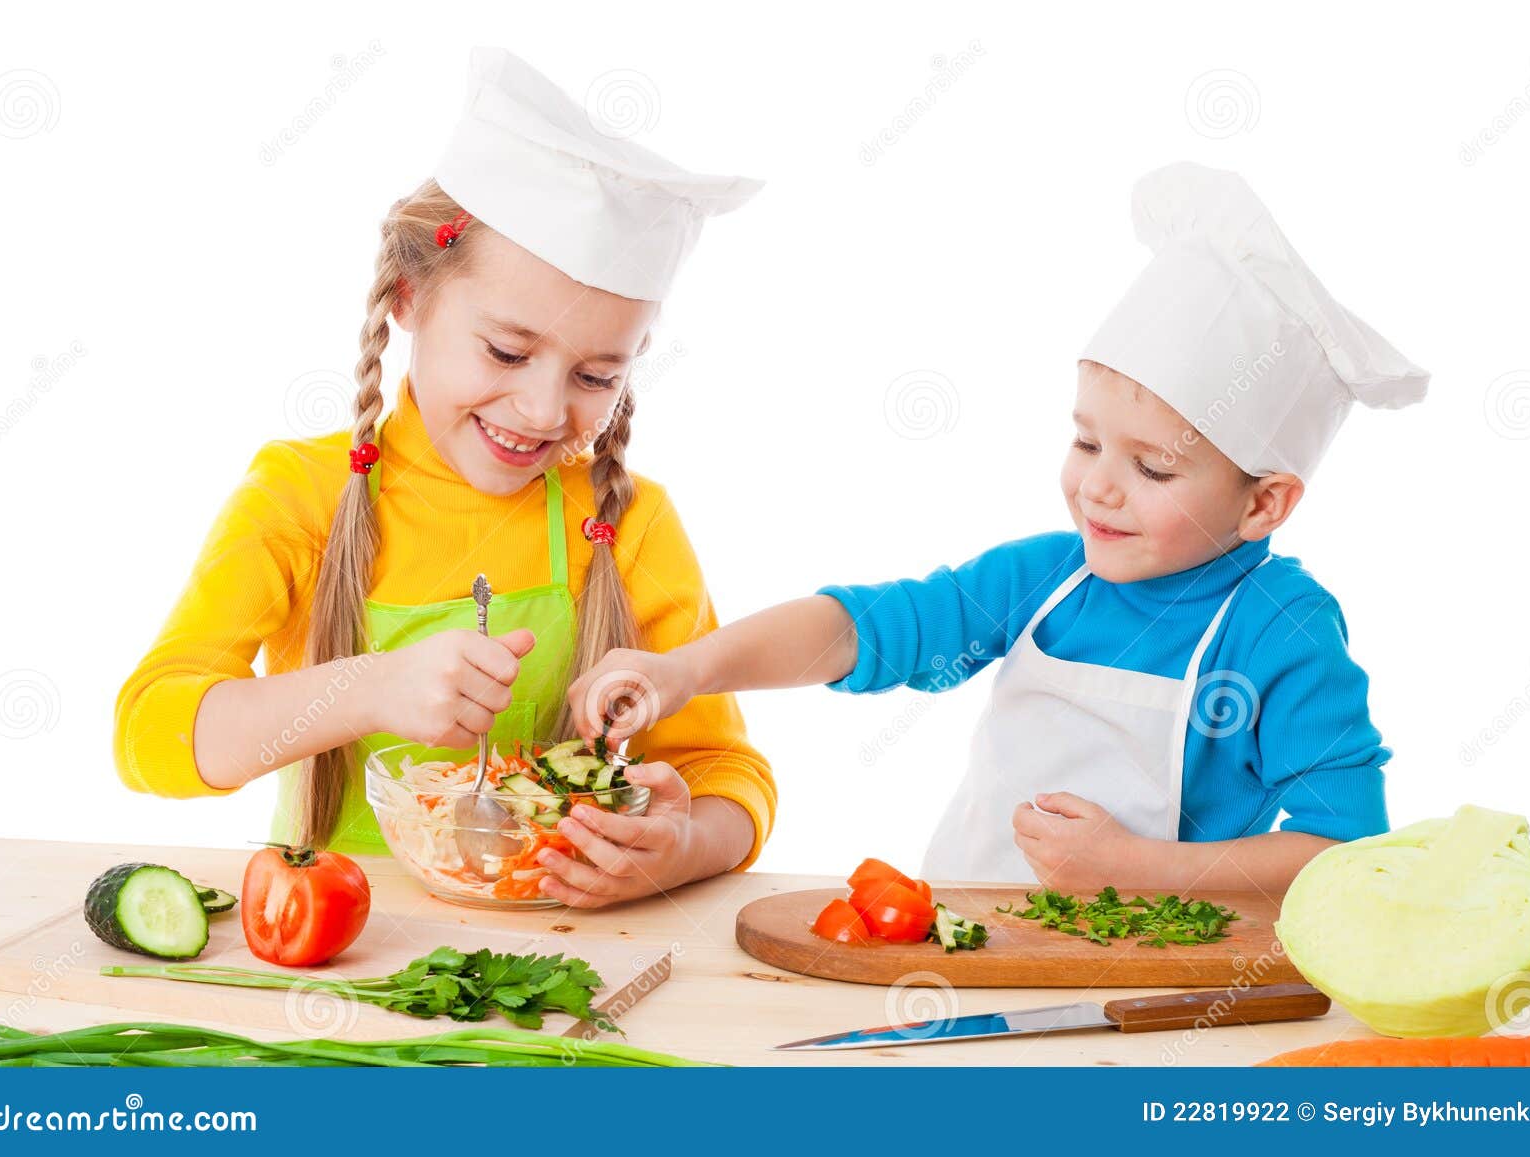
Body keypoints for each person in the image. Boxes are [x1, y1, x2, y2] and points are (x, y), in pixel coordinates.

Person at [570, 162, 1427, 893]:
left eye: (1152, 467)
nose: (1099, 487)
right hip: (967, 954)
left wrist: (1132, 865)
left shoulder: (1284, 630)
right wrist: (686, 669)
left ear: (1263, 503)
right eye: (1086, 440)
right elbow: (860, 629)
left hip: (1151, 988)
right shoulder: (1047, 579)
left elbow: (1341, 849)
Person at [115, 47, 776, 907]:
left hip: (552, 964)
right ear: (408, 297)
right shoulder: (301, 494)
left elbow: (726, 773)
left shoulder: (633, 522)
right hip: (333, 950)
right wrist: (369, 686)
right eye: (506, 350)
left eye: (595, 376)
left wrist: (679, 843)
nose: (543, 411)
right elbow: (151, 735)